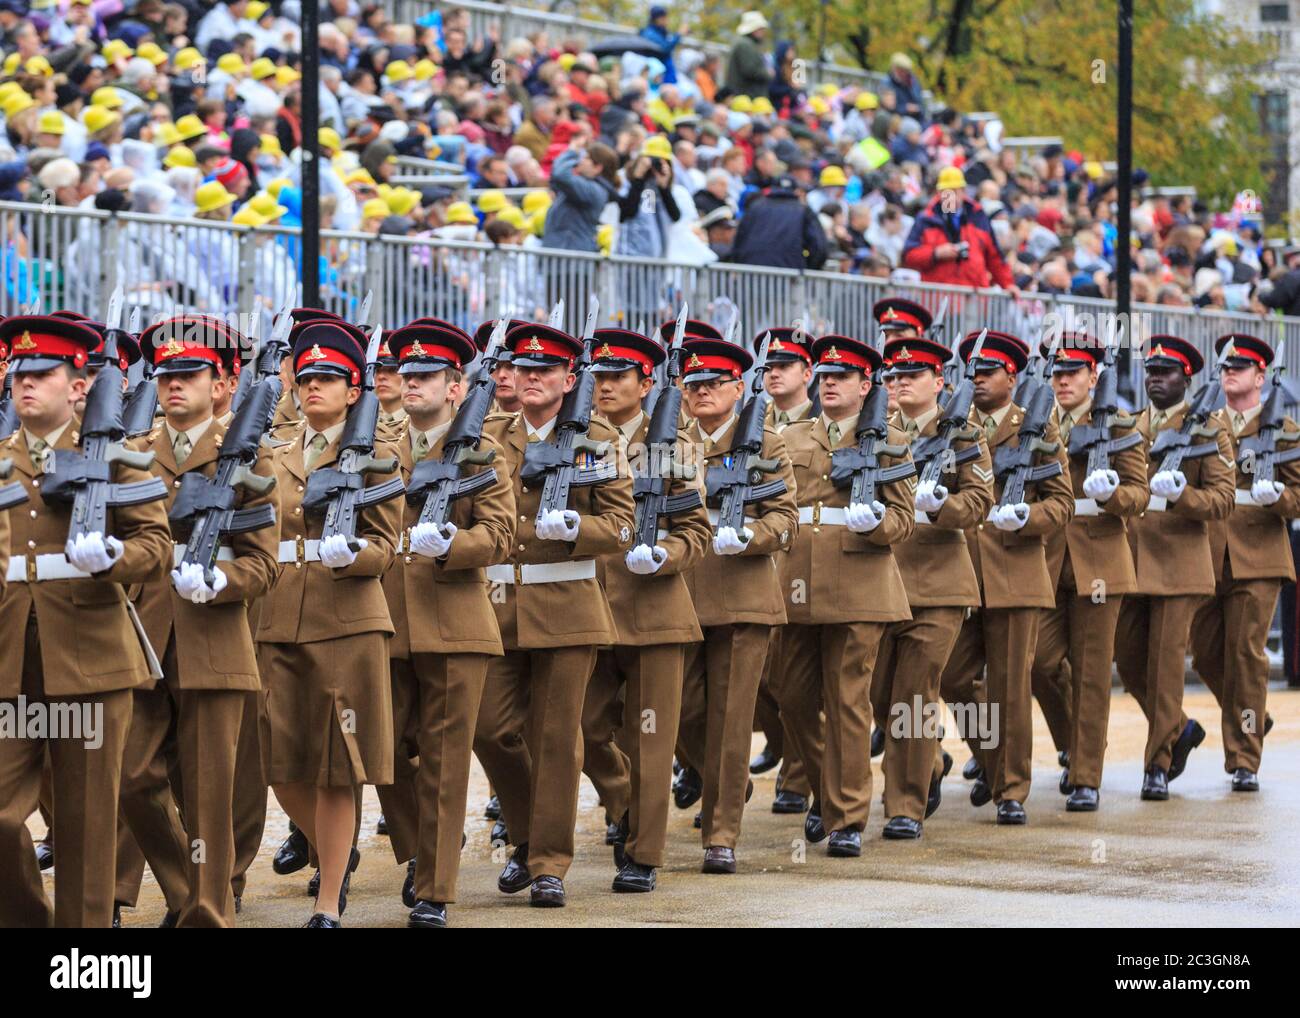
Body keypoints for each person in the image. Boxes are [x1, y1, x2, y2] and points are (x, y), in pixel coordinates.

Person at [0, 314, 171, 927]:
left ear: (78, 386)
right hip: (10, 663)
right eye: (18, 374)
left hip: (93, 659)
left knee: (87, 824)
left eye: (42, 374)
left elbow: (157, 548)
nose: (26, 386)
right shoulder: (0, 460)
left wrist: (115, 557)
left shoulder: (116, 456)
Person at [121, 315, 279, 927]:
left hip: (214, 640)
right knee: (133, 777)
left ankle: (210, 912)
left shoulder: (249, 454)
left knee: (213, 795)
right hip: (144, 637)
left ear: (220, 383)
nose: (173, 386)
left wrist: (221, 580)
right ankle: (188, 891)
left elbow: (265, 564)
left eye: (189, 375)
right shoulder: (134, 454)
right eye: (165, 376)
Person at [473, 321, 635, 908]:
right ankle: (525, 836)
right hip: (496, 608)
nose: (532, 378)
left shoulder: (597, 440)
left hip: (567, 606)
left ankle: (548, 862)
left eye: (546, 370)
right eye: (524, 369)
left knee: (556, 737)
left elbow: (622, 525)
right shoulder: (488, 434)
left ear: (570, 378)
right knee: (487, 728)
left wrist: (576, 530)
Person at [254, 319, 402, 928]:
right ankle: (335, 850)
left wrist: (353, 556)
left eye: (329, 379)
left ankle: (328, 897)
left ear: (353, 390)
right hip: (278, 613)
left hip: (347, 616)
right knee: (278, 762)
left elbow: (386, 545)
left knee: (339, 764)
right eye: (306, 376)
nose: (313, 386)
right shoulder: (273, 450)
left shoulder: (377, 454)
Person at [371, 320, 515, 929]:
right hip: (386, 619)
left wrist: (454, 542)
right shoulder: (378, 447)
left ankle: (435, 887)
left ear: (456, 387)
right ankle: (423, 846)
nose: (412, 385)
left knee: (445, 758)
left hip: (456, 622)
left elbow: (502, 535)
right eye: (407, 376)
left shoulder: (482, 450)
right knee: (381, 751)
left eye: (426, 377)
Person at [773, 333, 916, 856]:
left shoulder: (889, 440)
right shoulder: (791, 437)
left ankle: (848, 817)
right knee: (791, 697)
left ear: (865, 385)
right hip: (798, 582)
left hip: (860, 581)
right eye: (824, 376)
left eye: (842, 377)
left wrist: (876, 522)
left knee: (848, 700)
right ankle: (828, 794)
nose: (829, 384)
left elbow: (902, 519)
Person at [580, 328, 711, 892]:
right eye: (599, 376)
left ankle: (644, 852)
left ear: (645, 382)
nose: (606, 386)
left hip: (654, 605)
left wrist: (664, 555)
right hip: (587, 605)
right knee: (580, 729)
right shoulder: (576, 438)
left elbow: (696, 531)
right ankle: (624, 799)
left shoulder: (672, 445)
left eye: (618, 377)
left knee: (652, 738)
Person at [937, 331, 1073, 824]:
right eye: (971, 371)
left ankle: (1011, 790)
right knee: (952, 675)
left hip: (1015, 571)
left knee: (1012, 686)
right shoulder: (954, 425)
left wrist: (1028, 519)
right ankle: (995, 765)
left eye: (987, 372)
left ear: (1011, 377)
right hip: (963, 571)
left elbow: (1061, 503)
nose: (976, 380)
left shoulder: (1036, 427)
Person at [676, 334, 799, 873]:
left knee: (730, 716)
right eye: (693, 384)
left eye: (712, 383)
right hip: (678, 592)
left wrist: (750, 536)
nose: (701, 392)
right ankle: (727, 777)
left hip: (743, 595)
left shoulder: (766, 445)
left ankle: (720, 830)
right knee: (677, 709)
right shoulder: (669, 444)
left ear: (736, 388)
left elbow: (785, 517)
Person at [870, 331, 992, 839]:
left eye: (911, 374)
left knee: (915, 696)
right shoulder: (873, 430)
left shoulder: (964, 433)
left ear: (938, 380)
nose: (899, 383)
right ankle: (931, 766)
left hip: (940, 581)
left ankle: (904, 805)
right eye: (893, 375)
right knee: (878, 696)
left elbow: (981, 500)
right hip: (882, 577)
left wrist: (944, 506)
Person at [1031, 333, 1148, 813]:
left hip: (1099, 558)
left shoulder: (1119, 425)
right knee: (1036, 662)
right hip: (1048, 558)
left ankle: (1085, 777)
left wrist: (1112, 495)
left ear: (1093, 376)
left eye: (1072, 373)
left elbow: (1139, 495)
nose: (1062, 381)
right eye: (1056, 373)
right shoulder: (1036, 425)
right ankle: (1072, 745)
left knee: (1093, 673)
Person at [1114, 335, 1234, 800]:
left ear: (1187, 378)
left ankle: (1158, 762)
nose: (1155, 379)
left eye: (1165, 373)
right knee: (1128, 661)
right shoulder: (1129, 424)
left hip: (1180, 564)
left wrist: (1182, 494)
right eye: (1150, 371)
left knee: (1166, 665)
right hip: (1132, 559)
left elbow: (1222, 500)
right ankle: (1180, 728)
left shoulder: (1209, 430)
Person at [1190, 333, 1300, 792]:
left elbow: (1298, 497)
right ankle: (1253, 717)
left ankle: (1243, 759)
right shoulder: (1201, 425)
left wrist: (1280, 499)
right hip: (1208, 554)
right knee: (1206, 654)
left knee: (1246, 655)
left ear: (1261, 376)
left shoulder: (1284, 430)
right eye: (1225, 367)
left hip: (1258, 555)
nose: (1229, 372)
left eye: (1240, 367)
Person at [902, 168, 1016, 291]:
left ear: (963, 191)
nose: (949, 197)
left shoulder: (978, 217)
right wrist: (935, 253)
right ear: (938, 193)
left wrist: (1008, 284)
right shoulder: (926, 219)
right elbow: (909, 256)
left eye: (954, 191)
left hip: (973, 296)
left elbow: (995, 257)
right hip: (938, 297)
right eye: (945, 192)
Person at [727, 174, 828, 270]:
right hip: (789, 276)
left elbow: (739, 240)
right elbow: (819, 247)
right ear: (796, 191)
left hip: (752, 275)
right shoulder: (803, 210)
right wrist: (807, 269)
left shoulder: (755, 206)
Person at [725, 11, 772, 99]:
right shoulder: (745, 45)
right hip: (747, 96)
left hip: (747, 96)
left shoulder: (746, 44)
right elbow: (750, 70)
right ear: (754, 29)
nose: (763, 32)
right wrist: (767, 74)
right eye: (760, 29)